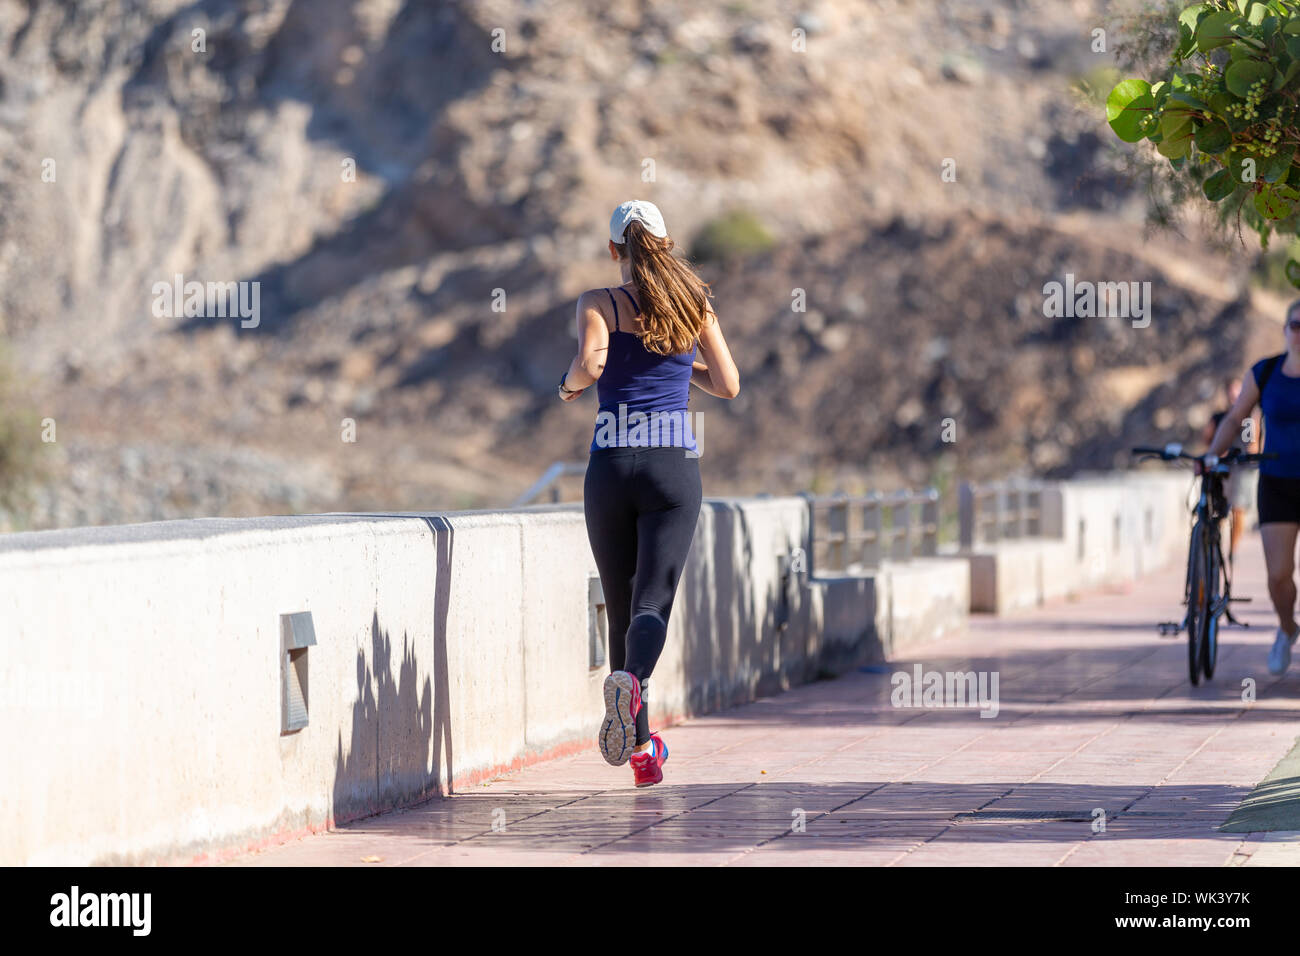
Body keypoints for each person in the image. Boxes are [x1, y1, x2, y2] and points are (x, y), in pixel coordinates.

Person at [557, 200, 740, 786]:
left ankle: (640, 751)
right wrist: (680, 367)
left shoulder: (599, 302)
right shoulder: (694, 304)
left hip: (609, 467)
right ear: (665, 242)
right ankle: (633, 686)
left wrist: (568, 385)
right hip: (671, 471)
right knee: (651, 604)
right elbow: (729, 385)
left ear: (616, 251)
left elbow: (590, 364)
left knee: (621, 602)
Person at [1205, 299, 1300, 675]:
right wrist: (1212, 456)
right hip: (1277, 484)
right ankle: (1287, 628)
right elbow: (1234, 419)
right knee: (1278, 576)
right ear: (1284, 329)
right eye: (1295, 324)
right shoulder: (1265, 372)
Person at [1201, 375, 1259, 565]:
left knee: (1238, 510)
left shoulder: (1248, 418)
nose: (1234, 395)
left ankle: (1233, 550)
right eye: (1231, 391)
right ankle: (1214, 541)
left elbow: (1251, 444)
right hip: (1222, 466)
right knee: (1217, 508)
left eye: (1237, 391)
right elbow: (1208, 439)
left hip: (1241, 467)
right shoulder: (1218, 417)